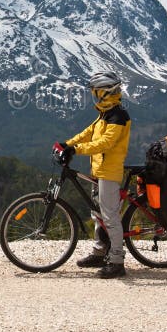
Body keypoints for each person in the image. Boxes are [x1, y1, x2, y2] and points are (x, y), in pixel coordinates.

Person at [56, 71, 131, 278]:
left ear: (105, 93)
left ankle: (117, 261)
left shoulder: (118, 116)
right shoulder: (105, 113)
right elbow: (89, 132)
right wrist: (67, 144)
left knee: (110, 217)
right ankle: (100, 252)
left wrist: (76, 150)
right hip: (98, 170)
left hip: (110, 172)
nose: (94, 96)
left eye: (96, 92)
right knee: (97, 214)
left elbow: (106, 143)